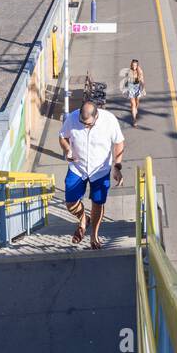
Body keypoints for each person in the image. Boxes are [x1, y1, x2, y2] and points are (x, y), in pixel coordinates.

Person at [58, 100, 125, 249]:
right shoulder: (73, 118)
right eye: (83, 123)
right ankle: (83, 219)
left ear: (96, 116)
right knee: (70, 203)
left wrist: (117, 166)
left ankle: (94, 235)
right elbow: (62, 136)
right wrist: (68, 149)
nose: (85, 126)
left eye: (89, 124)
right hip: (77, 168)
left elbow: (119, 142)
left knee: (98, 203)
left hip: (100, 171)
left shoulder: (109, 120)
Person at [122, 58, 146, 126]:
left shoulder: (140, 71)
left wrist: (143, 89)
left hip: (137, 88)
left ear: (137, 65)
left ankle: (136, 109)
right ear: (131, 65)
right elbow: (126, 80)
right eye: (133, 65)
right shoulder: (128, 71)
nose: (134, 66)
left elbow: (142, 81)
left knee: (137, 102)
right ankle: (134, 120)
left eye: (135, 65)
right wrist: (124, 88)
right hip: (131, 88)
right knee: (133, 104)